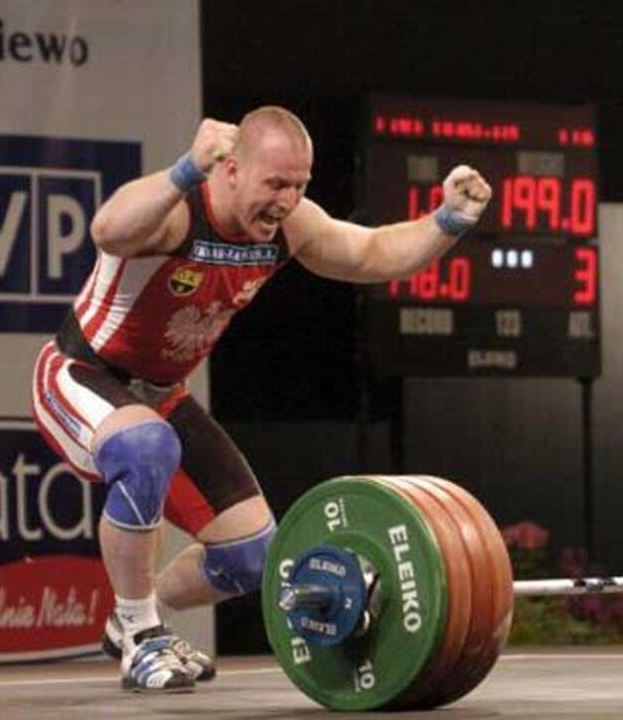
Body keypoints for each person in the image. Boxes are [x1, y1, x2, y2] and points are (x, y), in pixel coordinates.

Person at [30, 106, 491, 692]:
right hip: (79, 374)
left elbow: (371, 253)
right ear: (229, 170)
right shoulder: (181, 213)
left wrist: (448, 220)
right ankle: (141, 635)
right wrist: (183, 169)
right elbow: (107, 231)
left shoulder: (291, 225)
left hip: (160, 396)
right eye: (274, 184)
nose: (286, 201)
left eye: (299, 185)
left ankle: (135, 617)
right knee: (146, 446)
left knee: (251, 558)